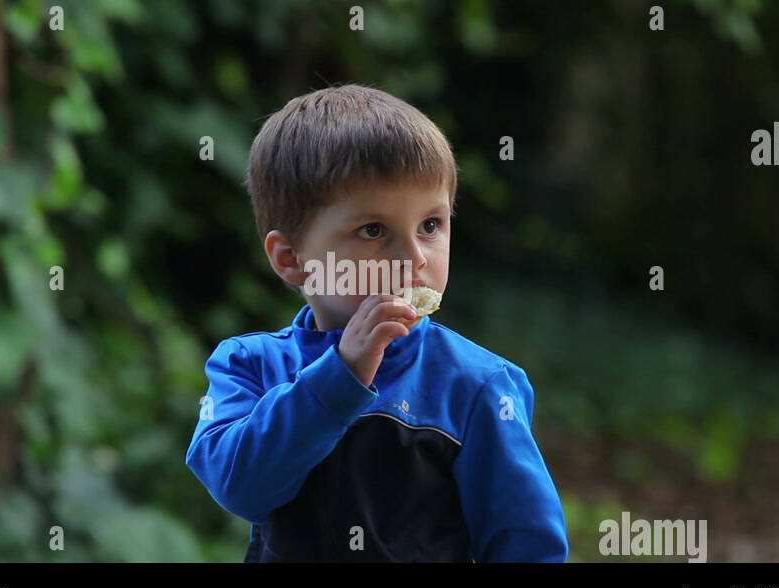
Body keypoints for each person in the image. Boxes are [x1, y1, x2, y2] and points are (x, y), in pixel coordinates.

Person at [186, 84, 568, 562]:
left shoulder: (478, 387)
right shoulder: (248, 366)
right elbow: (241, 489)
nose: (413, 257)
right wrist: (340, 375)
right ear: (291, 259)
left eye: (431, 225)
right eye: (373, 230)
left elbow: (527, 544)